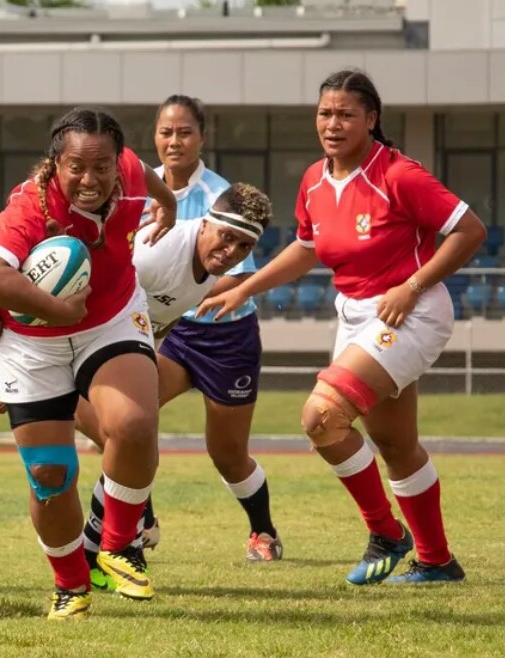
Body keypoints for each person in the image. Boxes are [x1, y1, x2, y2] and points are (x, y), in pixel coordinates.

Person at [198, 69, 486, 584]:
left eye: (346, 114)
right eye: (325, 113)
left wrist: (413, 285)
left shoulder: (398, 175)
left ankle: (386, 533)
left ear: (371, 120)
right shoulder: (313, 180)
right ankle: (437, 561)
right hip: (354, 315)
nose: (333, 123)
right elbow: (308, 248)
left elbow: (469, 230)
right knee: (396, 445)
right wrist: (244, 288)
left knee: (321, 417)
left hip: (410, 312)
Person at [0, 106, 176, 620]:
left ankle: (118, 545)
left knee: (134, 421)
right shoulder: (30, 208)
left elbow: (146, 173)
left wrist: (167, 204)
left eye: (101, 166)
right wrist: (58, 307)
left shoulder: (125, 171)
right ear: (54, 164)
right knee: (50, 475)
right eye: (76, 167)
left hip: (111, 317)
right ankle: (70, 586)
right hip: (31, 339)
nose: (90, 179)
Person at [75, 181, 274, 589]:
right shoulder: (156, 251)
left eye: (243, 247)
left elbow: (152, 318)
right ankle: (114, 544)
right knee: (118, 441)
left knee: (213, 453)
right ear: (205, 224)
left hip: (220, 341)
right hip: (73, 343)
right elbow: (86, 287)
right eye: (227, 237)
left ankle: (99, 553)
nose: (231, 253)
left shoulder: (207, 263)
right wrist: (30, 365)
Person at [130, 94, 281, 562]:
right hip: (170, 334)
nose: (174, 141)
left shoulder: (222, 195)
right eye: (165, 132)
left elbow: (239, 275)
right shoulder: (141, 187)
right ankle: (143, 519)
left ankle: (264, 533)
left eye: (184, 132)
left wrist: (188, 294)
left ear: (202, 138)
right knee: (125, 419)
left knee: (227, 454)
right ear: (155, 136)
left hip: (225, 337)